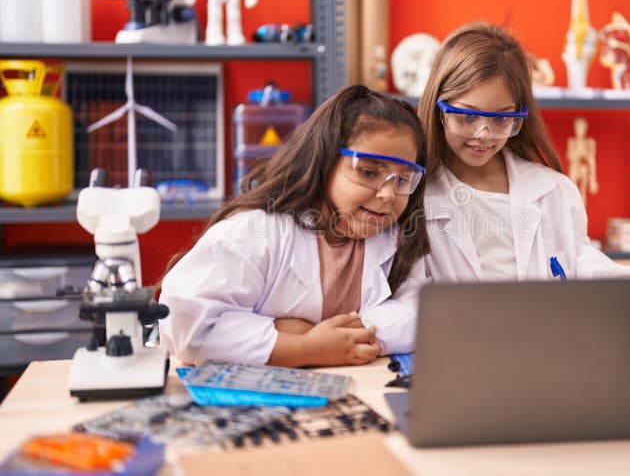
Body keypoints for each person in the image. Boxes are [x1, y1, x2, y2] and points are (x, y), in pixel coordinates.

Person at [417, 22, 630, 322]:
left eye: (502, 120)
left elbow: (584, 265)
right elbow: (406, 297)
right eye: (466, 116)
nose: (483, 134)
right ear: (438, 108)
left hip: (541, 351)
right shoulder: (415, 195)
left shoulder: (553, 189)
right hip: (462, 351)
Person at [159, 85, 430, 366]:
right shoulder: (255, 232)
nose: (387, 194)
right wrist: (307, 347)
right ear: (325, 161)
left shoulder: (395, 239)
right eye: (369, 172)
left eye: (402, 180)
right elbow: (189, 325)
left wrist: (341, 337)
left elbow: (422, 309)